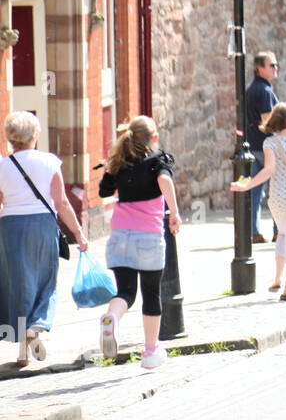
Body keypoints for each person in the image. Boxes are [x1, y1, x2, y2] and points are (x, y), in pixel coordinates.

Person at [0, 112, 88, 367]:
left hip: (10, 227)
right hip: (42, 225)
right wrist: (79, 234)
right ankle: (36, 326)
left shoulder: (3, 166)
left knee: (18, 285)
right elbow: (61, 202)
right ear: (34, 136)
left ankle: (22, 353)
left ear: (10, 138)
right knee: (45, 280)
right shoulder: (49, 162)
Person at [97, 117, 182, 370]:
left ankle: (112, 317)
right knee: (151, 294)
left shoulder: (119, 164)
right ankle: (150, 352)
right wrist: (175, 213)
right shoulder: (157, 161)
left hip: (120, 236)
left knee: (125, 292)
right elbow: (165, 181)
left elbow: (103, 192)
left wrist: (111, 168)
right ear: (153, 138)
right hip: (148, 237)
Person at [230, 103, 286, 300]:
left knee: (281, 235)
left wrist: (247, 185)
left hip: (278, 198)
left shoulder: (270, 143)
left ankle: (278, 278)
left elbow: (269, 170)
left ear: (275, 120)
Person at [244, 51, 279, 242]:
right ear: (260, 69)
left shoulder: (252, 88)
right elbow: (268, 120)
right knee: (275, 188)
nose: (276, 68)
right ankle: (277, 230)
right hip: (267, 145)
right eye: (271, 65)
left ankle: (254, 231)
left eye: (276, 65)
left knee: (256, 189)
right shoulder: (264, 91)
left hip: (255, 144)